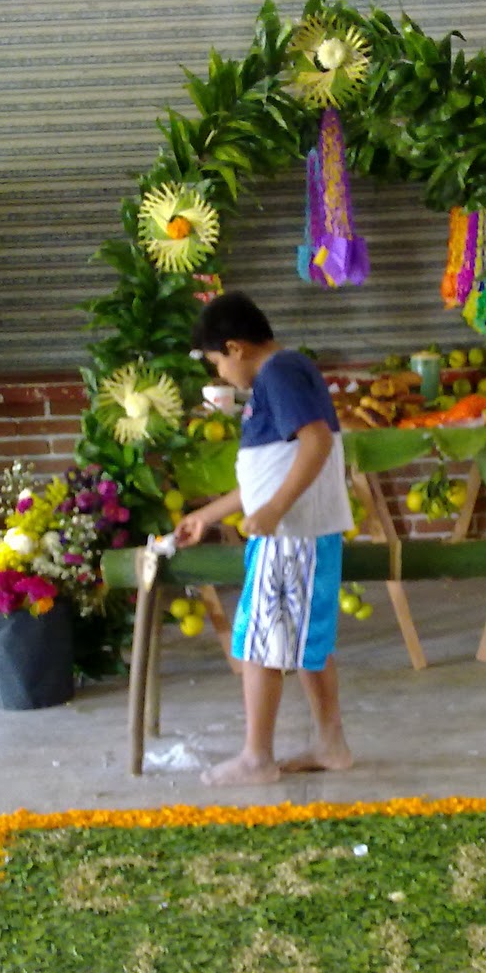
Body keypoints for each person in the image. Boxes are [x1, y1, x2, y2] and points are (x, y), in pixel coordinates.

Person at [175, 293, 355, 785]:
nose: (220, 376)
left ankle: (257, 757)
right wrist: (208, 516)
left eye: (216, 363)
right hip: (299, 534)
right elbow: (269, 471)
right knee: (303, 644)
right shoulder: (283, 376)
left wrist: (274, 510)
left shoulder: (279, 373)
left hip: (291, 535)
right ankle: (330, 744)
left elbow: (315, 442)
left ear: (233, 347)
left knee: (258, 643)